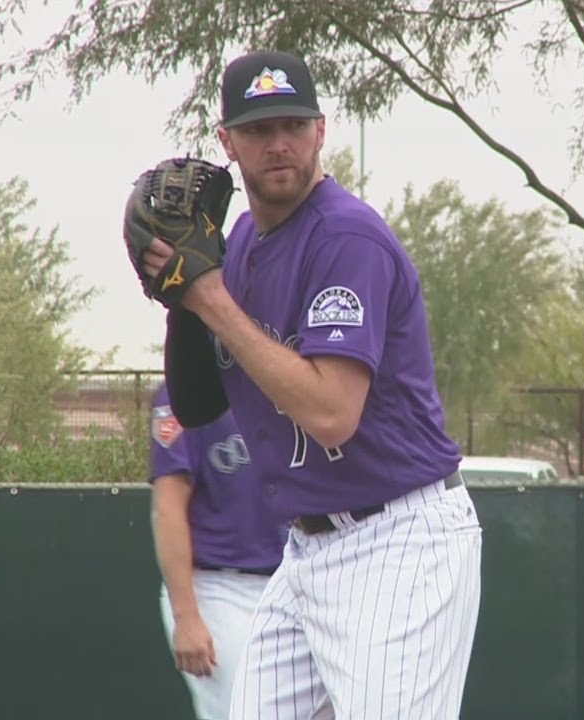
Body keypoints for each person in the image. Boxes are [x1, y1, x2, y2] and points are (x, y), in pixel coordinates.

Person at [141, 50, 483, 719]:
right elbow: (200, 405)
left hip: (399, 542)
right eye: (259, 130)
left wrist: (209, 300)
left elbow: (331, 413)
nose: (279, 145)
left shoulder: (347, 238)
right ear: (226, 142)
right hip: (306, 551)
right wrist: (182, 301)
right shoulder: (237, 244)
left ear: (321, 130)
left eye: (293, 125)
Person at [147, 380, 286, 720]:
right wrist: (187, 616)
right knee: (243, 712)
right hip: (220, 588)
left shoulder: (280, 380)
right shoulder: (185, 391)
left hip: (291, 583)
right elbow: (168, 509)